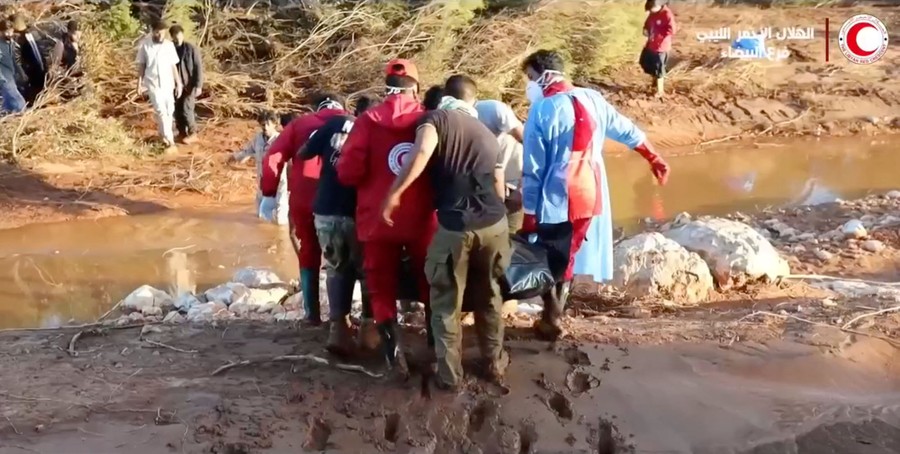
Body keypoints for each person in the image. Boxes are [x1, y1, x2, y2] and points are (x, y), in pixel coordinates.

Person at [520, 49, 670, 340]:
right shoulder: (593, 99)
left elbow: (533, 168)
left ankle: (551, 317)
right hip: (591, 191)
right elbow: (628, 131)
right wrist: (655, 159)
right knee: (570, 252)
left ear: (545, 76)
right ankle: (555, 314)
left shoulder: (543, 109)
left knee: (552, 254)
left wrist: (528, 212)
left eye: (530, 78)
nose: (529, 85)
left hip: (556, 194)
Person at [382, 85, 512, 390]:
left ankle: (450, 377)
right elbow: (498, 181)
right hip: (495, 224)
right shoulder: (485, 130)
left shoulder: (437, 119)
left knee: (446, 302)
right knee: (490, 295)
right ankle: (494, 362)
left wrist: (394, 193)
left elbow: (422, 151)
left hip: (456, 226)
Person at [336, 59, 435, 379]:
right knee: (431, 279)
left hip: (377, 218)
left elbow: (348, 173)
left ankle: (394, 357)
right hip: (422, 217)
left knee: (380, 287)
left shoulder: (366, 121)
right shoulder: (429, 120)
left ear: (386, 88)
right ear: (416, 88)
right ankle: (435, 349)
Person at [297, 96, 379, 356]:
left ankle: (338, 330)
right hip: (360, 213)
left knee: (336, 268)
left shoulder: (335, 124)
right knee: (368, 271)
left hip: (326, 210)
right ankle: (369, 330)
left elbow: (303, 153)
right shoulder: (379, 133)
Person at [261, 93, 347, 326]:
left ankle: (312, 314)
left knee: (309, 250)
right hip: (341, 201)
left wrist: (268, 192)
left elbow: (273, 156)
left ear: (317, 107)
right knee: (341, 257)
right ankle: (341, 318)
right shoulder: (352, 122)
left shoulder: (300, 124)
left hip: (304, 200)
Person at [443, 75, 527, 232]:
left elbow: (527, 143)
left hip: (512, 185)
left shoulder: (493, 109)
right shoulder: (450, 118)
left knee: (510, 238)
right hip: (483, 192)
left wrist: (523, 186)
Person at [230, 110, 288, 225]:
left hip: (280, 182)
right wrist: (234, 158)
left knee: (280, 216)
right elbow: (247, 151)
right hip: (263, 181)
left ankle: (281, 237)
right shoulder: (258, 139)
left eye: (268, 124)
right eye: (263, 124)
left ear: (274, 124)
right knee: (261, 215)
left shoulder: (281, 139)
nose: (265, 127)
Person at [136, 18, 182, 154]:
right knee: (161, 111)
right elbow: (141, 66)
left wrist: (178, 83)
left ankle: (163, 136)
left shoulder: (168, 45)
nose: (161, 35)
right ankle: (170, 140)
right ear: (153, 32)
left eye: (163, 33)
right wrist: (138, 84)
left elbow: (173, 65)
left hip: (168, 83)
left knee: (169, 111)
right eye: (158, 33)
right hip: (153, 83)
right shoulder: (145, 45)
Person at [169, 24, 203, 144]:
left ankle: (193, 133)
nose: (178, 38)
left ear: (183, 35)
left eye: (179, 35)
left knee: (187, 108)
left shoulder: (191, 49)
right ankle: (182, 132)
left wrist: (199, 85)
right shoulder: (170, 48)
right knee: (177, 110)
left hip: (190, 84)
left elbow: (198, 67)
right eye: (175, 36)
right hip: (175, 85)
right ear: (172, 36)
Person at [640, 0, 676, 98]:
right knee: (645, 62)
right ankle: (655, 81)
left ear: (657, 6)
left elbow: (671, 30)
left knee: (659, 69)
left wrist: (658, 36)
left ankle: (660, 91)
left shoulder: (667, 14)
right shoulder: (652, 14)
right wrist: (645, 30)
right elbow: (647, 25)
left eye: (651, 9)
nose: (650, 12)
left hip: (661, 47)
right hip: (650, 45)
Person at [10, 14, 46, 106]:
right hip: (40, 69)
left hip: (33, 72)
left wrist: (22, 73)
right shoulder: (32, 35)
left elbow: (19, 60)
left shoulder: (22, 41)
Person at [0, 18, 26, 114]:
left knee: (9, 105)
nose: (9, 34)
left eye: (10, 32)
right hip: (4, 79)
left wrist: (21, 73)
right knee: (20, 104)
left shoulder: (10, 43)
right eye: (6, 32)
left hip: (11, 77)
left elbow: (15, 60)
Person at [51, 20, 83, 86]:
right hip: (63, 80)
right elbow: (54, 67)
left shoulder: (77, 44)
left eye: (79, 35)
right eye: (74, 34)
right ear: (69, 32)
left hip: (74, 78)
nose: (77, 37)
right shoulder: (61, 44)